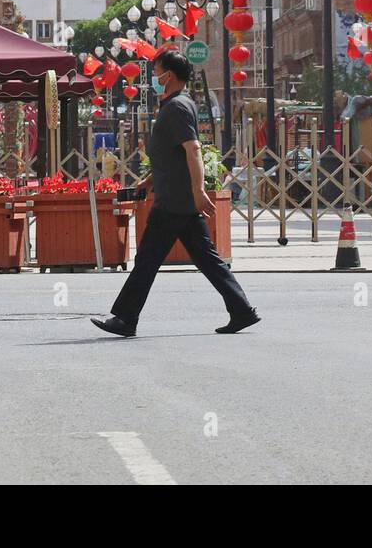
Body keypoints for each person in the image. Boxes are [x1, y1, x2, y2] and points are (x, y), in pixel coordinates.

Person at [93, 49, 259, 338]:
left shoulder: (177, 107)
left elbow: (192, 149)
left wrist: (197, 191)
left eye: (156, 71)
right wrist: (148, 182)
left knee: (147, 259)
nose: (154, 77)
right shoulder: (178, 104)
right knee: (207, 259)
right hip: (176, 195)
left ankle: (125, 317)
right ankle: (242, 310)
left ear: (168, 75)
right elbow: (172, 156)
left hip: (174, 200)